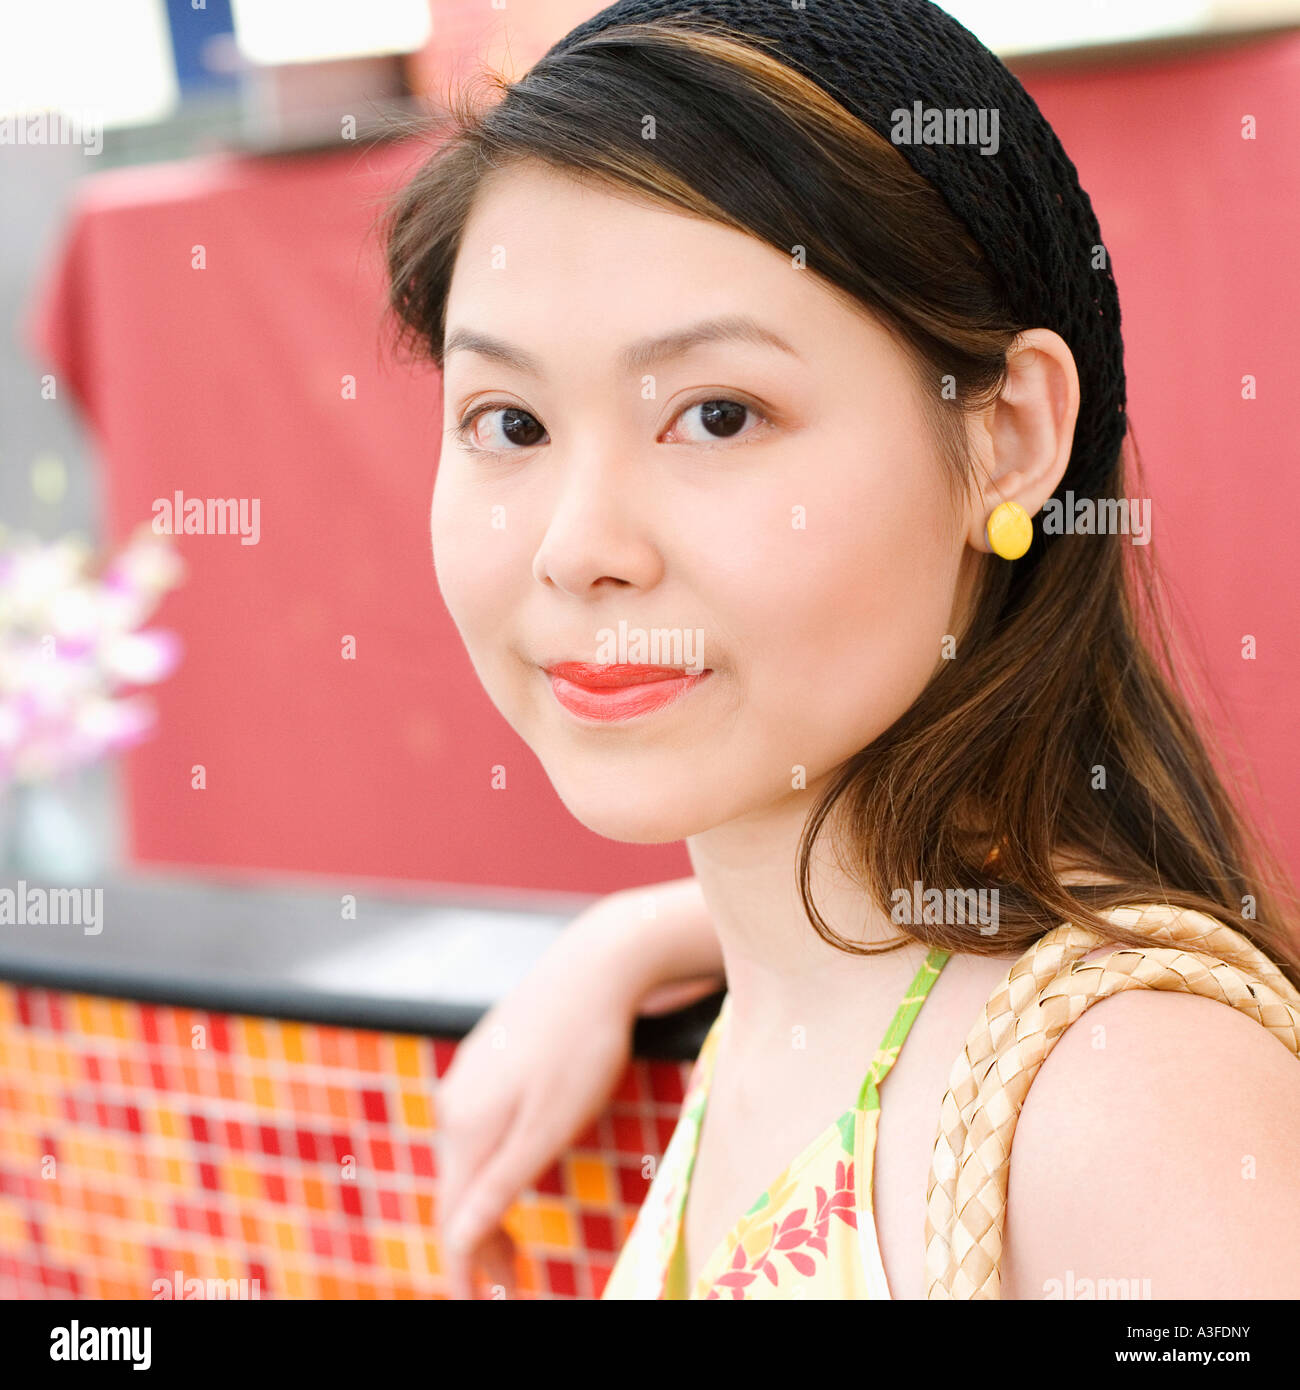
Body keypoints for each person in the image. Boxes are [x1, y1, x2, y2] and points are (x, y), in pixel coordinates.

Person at [380, 0, 1300, 1298]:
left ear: (1010, 436)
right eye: (510, 423)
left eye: (716, 413)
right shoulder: (790, 980)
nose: (577, 546)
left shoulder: (1127, 1109)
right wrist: (643, 937)